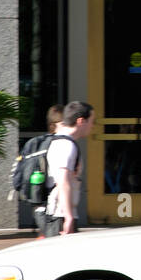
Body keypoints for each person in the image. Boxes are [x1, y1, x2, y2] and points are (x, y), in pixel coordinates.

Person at [45, 100, 95, 236]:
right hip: (60, 215)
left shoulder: (60, 141)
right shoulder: (66, 145)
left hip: (59, 213)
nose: (93, 126)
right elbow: (63, 181)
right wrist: (68, 217)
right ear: (81, 121)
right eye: (91, 121)